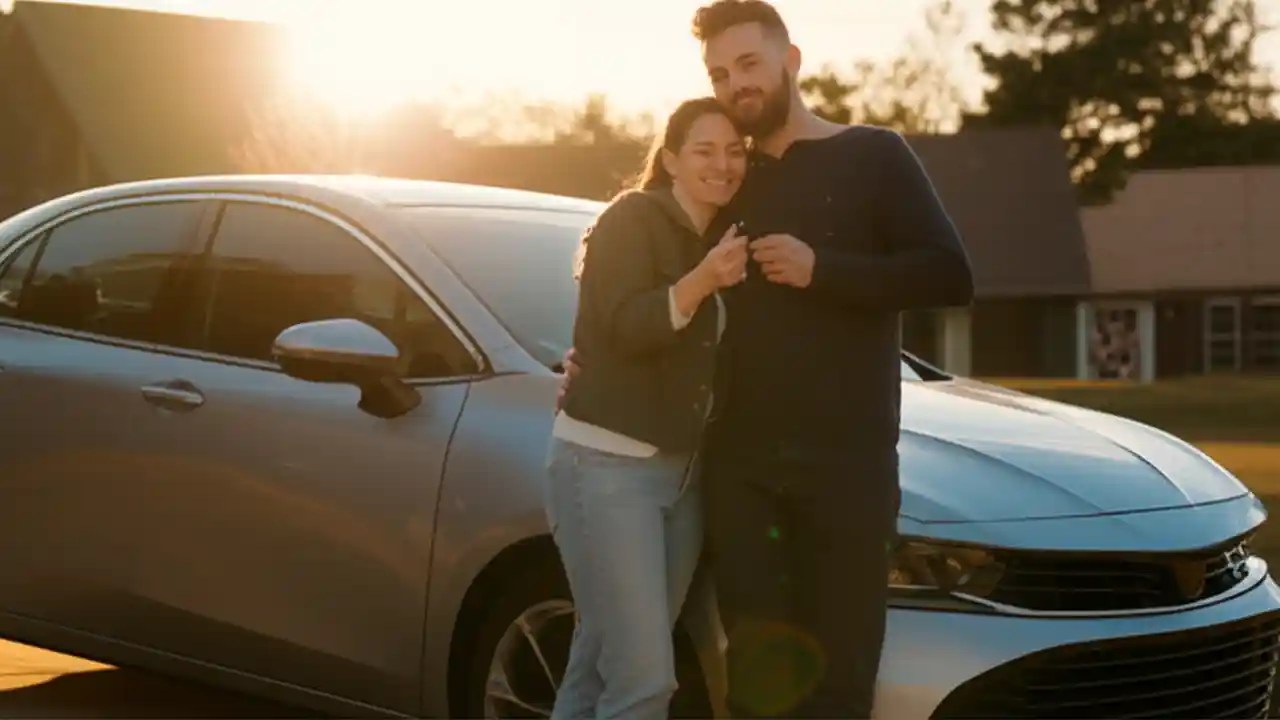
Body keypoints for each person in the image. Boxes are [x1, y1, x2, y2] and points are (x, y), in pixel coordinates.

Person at [562, 2, 975, 716]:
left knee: (841, 683)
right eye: (719, 74)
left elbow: (949, 275)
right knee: (758, 688)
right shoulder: (727, 179)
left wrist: (826, 269)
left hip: (848, 473)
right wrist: (592, 362)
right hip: (739, 474)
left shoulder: (874, 155)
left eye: (748, 65)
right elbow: (644, 285)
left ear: (791, 59)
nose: (735, 86)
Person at [545, 97, 750, 720]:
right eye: (704, 151)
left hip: (682, 479)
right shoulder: (632, 219)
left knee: (598, 663)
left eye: (735, 151)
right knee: (644, 683)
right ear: (669, 160)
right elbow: (626, 325)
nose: (722, 164)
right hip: (607, 468)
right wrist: (703, 281)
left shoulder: (723, 238)